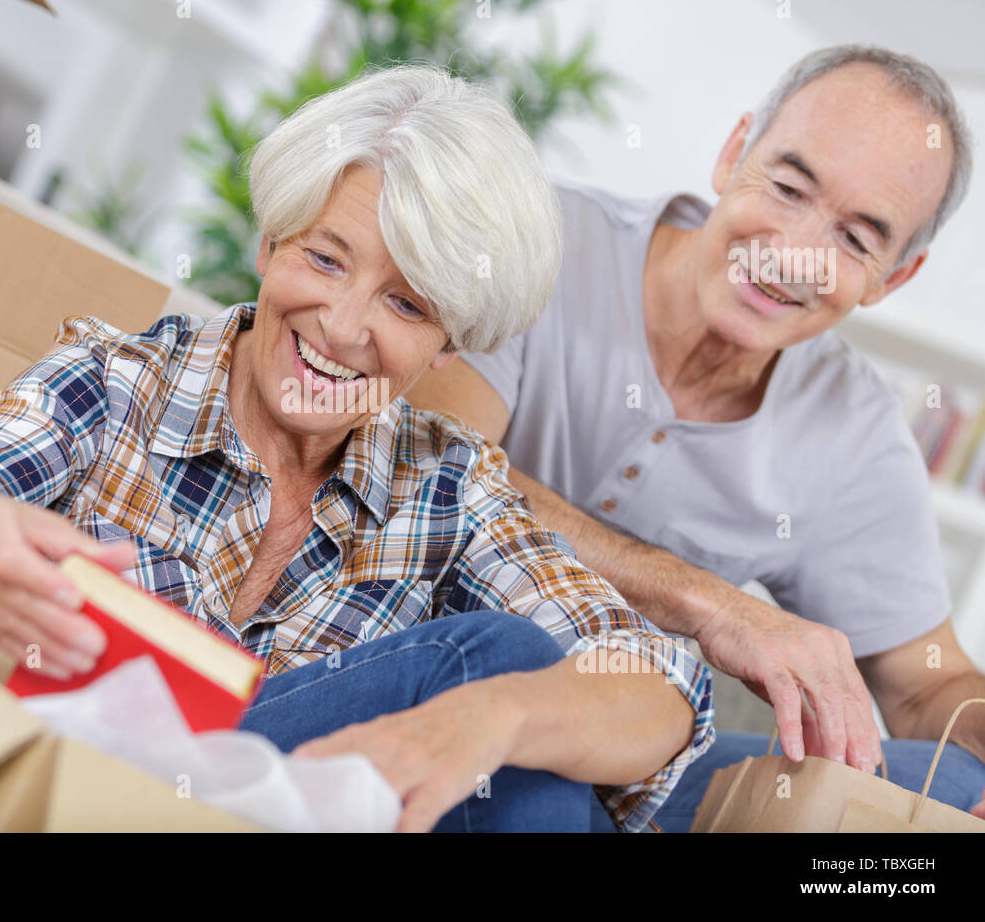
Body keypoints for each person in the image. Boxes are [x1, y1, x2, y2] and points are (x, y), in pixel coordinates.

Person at [0, 63, 713, 833]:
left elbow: (666, 689)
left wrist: (489, 720)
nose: (342, 328)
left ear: (447, 343)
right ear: (269, 240)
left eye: (407, 303)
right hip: (58, 804)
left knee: (526, 717)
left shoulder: (449, 489)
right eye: (325, 259)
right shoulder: (114, 383)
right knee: (498, 655)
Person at [406, 45, 985, 830]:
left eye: (856, 239)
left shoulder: (855, 437)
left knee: (946, 786)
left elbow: (927, 687)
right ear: (732, 152)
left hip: (638, 755)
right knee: (535, 785)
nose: (793, 254)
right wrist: (714, 609)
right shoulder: (540, 236)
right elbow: (435, 462)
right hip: (436, 672)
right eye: (786, 187)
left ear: (893, 277)